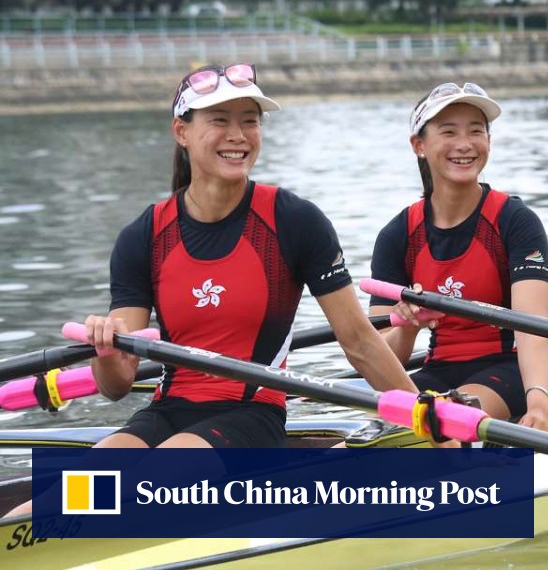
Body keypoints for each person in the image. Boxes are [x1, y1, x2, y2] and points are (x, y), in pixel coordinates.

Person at [5, 63, 418, 516]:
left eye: (250, 120)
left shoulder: (294, 221)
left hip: (251, 418)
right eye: (219, 120)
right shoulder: (144, 235)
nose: (238, 134)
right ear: (181, 132)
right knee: (41, 510)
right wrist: (105, 351)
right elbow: (118, 386)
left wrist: (425, 419)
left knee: (123, 494)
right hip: (167, 410)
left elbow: (359, 343)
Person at [369, 82, 548, 434]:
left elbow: (533, 331)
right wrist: (407, 325)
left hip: (512, 372)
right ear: (419, 146)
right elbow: (379, 357)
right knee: (372, 430)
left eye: (476, 131)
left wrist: (538, 406)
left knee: (440, 418)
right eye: (449, 131)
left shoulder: (514, 222)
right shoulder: (397, 235)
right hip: (437, 371)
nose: (465, 144)